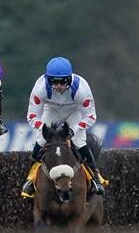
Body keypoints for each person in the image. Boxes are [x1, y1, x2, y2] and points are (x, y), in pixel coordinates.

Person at [21, 57, 106, 196]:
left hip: (74, 111)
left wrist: (74, 130)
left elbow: (90, 116)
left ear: (69, 80)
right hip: (51, 110)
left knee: (79, 142)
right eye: (54, 82)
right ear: (48, 80)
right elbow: (32, 116)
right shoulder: (40, 88)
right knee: (41, 141)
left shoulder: (82, 90)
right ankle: (29, 180)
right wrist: (44, 129)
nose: (58, 86)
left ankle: (96, 178)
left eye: (63, 81)